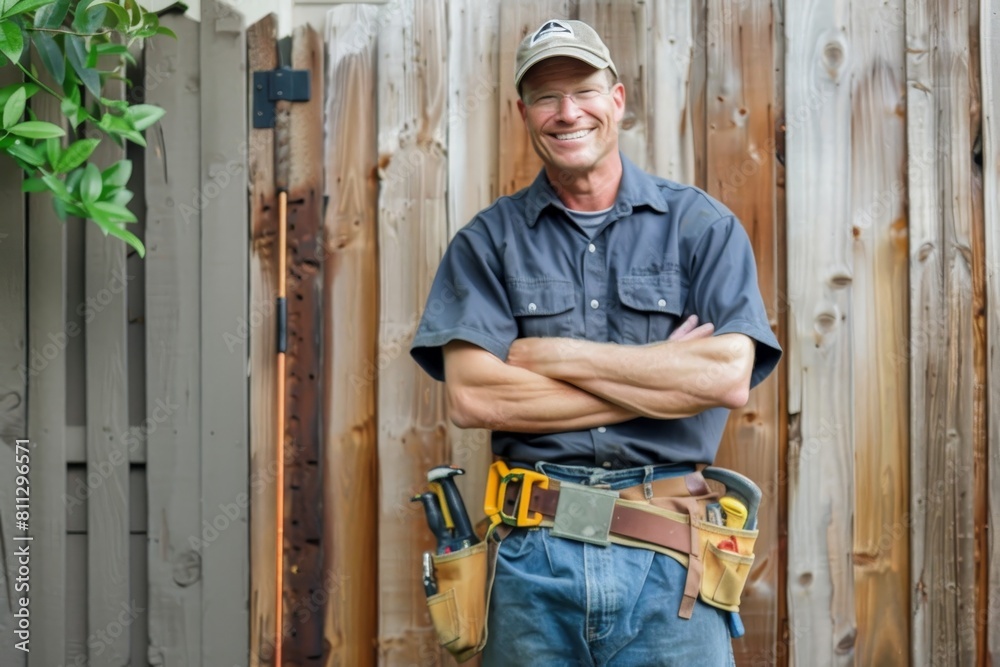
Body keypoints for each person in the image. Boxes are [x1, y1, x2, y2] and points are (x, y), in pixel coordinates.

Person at [410, 18, 781, 667]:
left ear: (616, 99)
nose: (567, 111)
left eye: (582, 89)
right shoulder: (488, 242)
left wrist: (552, 357)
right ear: (522, 111)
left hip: (675, 565)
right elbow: (473, 397)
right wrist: (665, 379)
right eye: (547, 96)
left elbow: (725, 378)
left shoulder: (701, 228)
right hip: (534, 568)